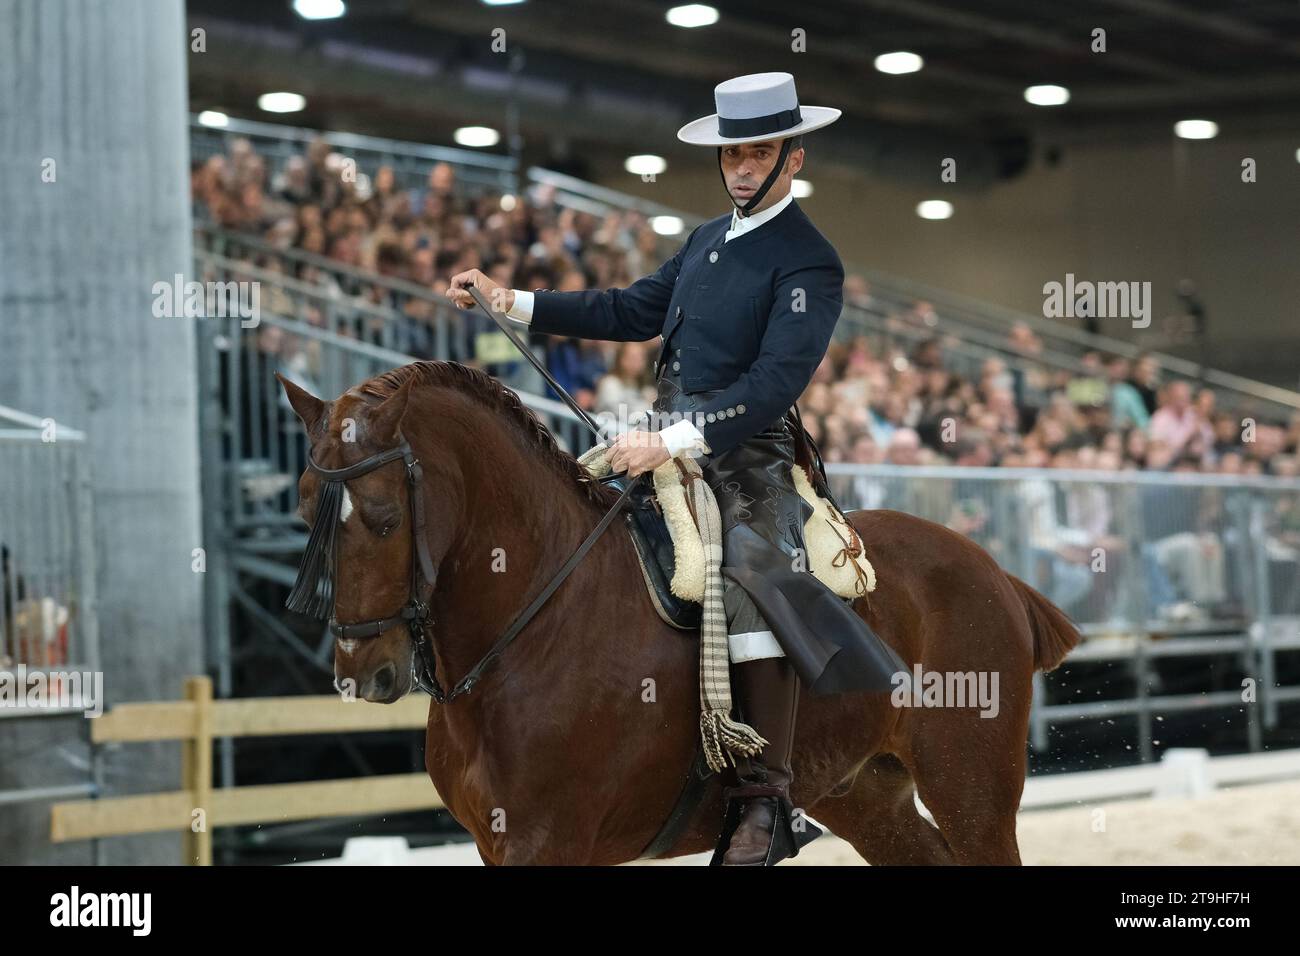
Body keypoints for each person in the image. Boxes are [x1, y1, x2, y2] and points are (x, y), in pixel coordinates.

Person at [448, 72, 903, 866]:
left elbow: (773, 385)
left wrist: (675, 439)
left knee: (757, 570)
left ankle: (765, 800)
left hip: (748, 452)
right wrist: (510, 300)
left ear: (793, 158)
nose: (741, 166)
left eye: (759, 152)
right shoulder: (705, 240)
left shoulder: (809, 262)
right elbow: (629, 309)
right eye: (732, 153)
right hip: (662, 434)